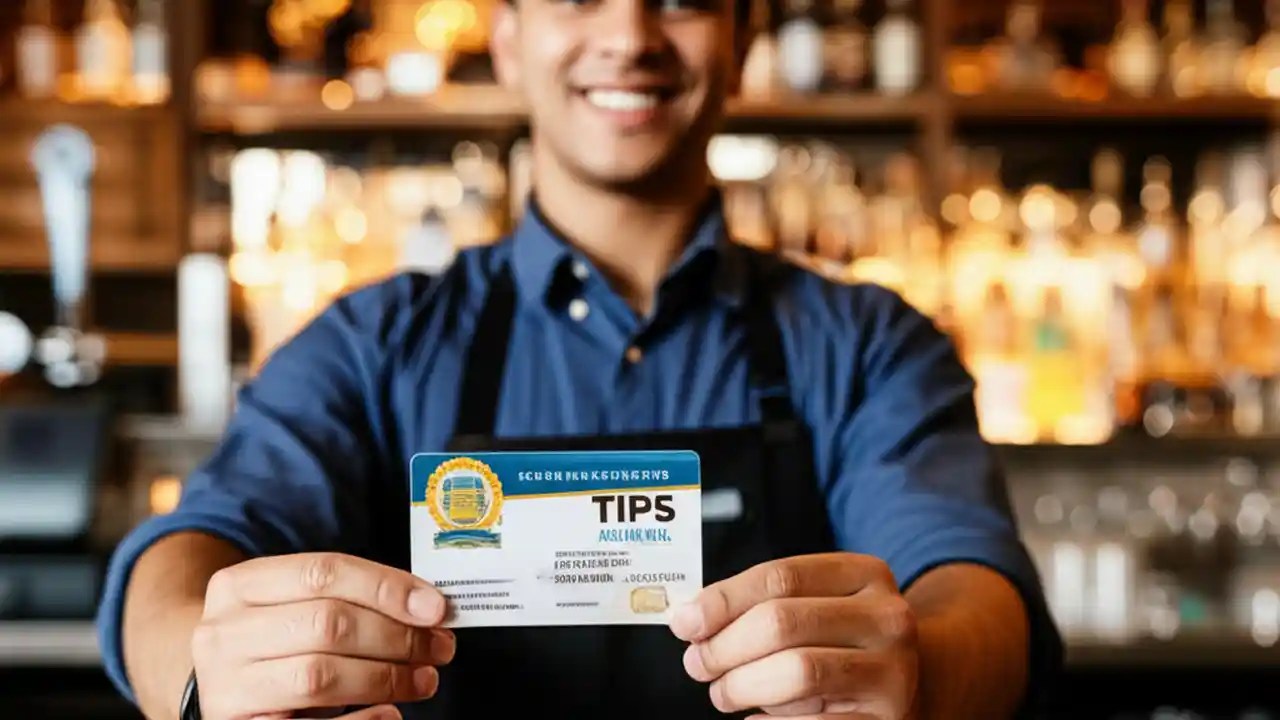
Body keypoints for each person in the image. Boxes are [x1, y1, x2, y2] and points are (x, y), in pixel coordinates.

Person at [98, 0, 1063, 717]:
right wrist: (204, 673)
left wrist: (918, 674)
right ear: (508, 37)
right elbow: (190, 553)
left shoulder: (869, 344)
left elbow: (973, 588)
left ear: (743, 40)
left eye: (681, 0)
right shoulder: (372, 345)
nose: (630, 34)